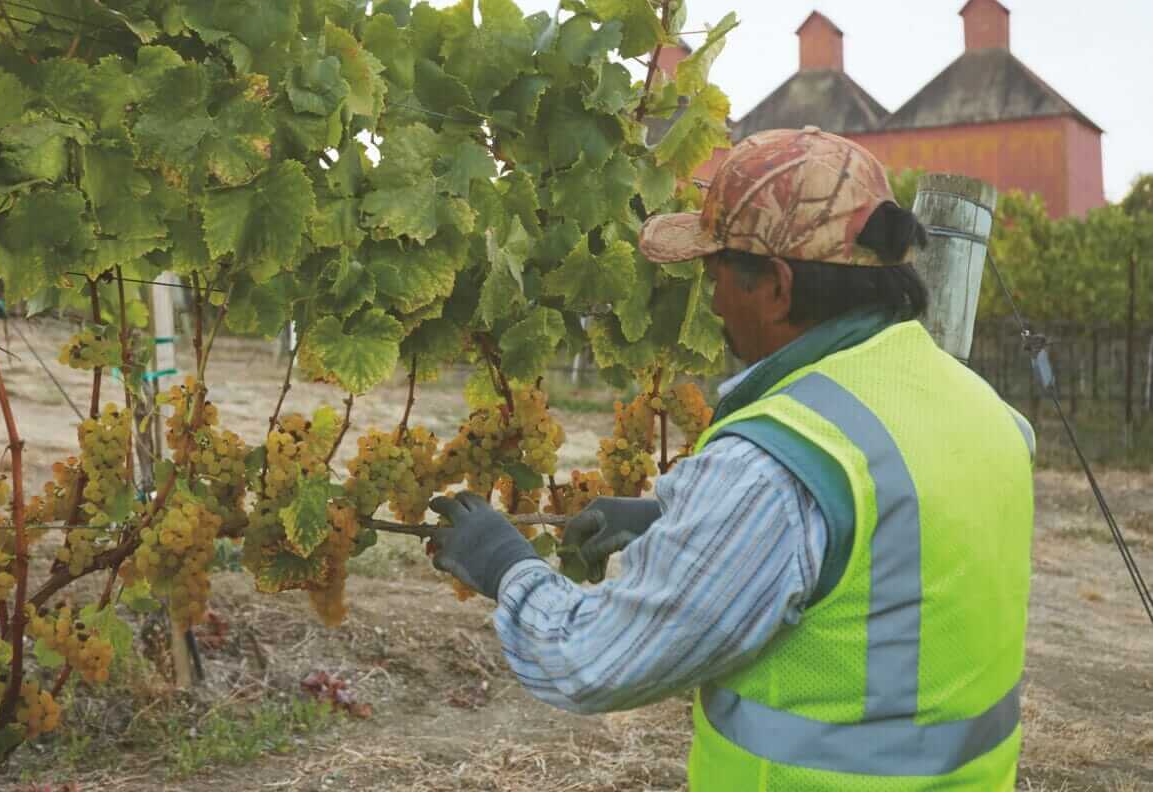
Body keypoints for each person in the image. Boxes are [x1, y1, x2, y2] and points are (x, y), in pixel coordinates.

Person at [427, 126, 1035, 790]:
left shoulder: (775, 470)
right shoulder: (987, 413)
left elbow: (591, 660)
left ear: (776, 285)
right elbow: (885, 567)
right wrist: (671, 519)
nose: (712, 300)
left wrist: (505, 565)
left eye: (716, 273)